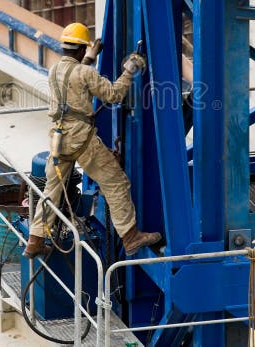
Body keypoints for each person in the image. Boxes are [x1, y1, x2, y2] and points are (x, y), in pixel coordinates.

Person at [23, 22, 162, 258]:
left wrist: (89, 58)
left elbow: (74, 76)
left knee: (51, 191)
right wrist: (129, 70)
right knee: (116, 183)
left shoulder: (54, 70)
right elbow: (114, 94)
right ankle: (130, 237)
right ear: (80, 50)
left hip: (59, 139)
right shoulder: (85, 72)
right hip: (82, 140)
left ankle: (35, 239)